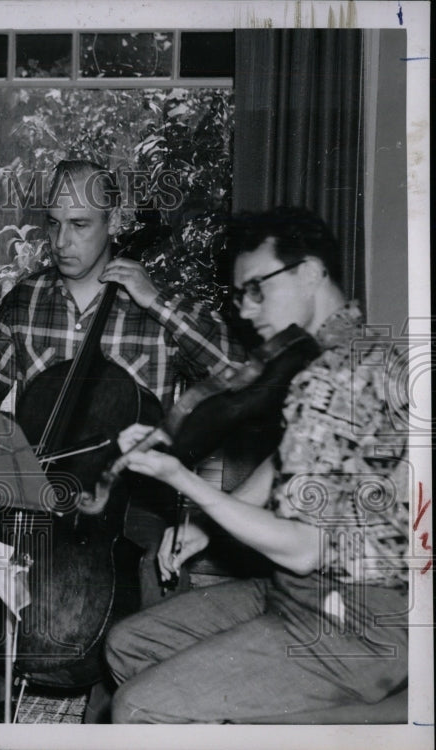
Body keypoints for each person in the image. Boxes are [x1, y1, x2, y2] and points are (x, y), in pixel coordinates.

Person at [0, 159, 243, 721]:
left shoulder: (153, 309)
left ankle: (106, 720)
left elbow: (239, 374)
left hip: (128, 500)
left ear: (113, 221)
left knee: (140, 582)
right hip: (38, 485)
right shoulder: (26, 299)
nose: (62, 241)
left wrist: (157, 302)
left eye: (81, 224)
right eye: (54, 223)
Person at [103, 207, 409, 723]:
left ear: (310, 273)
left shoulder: (340, 378)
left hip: (356, 622)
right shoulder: (339, 349)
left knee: (136, 708)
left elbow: (304, 549)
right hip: (303, 595)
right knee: (129, 644)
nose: (245, 309)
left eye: (257, 288)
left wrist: (187, 484)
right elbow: (295, 455)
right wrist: (203, 525)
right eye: (240, 292)